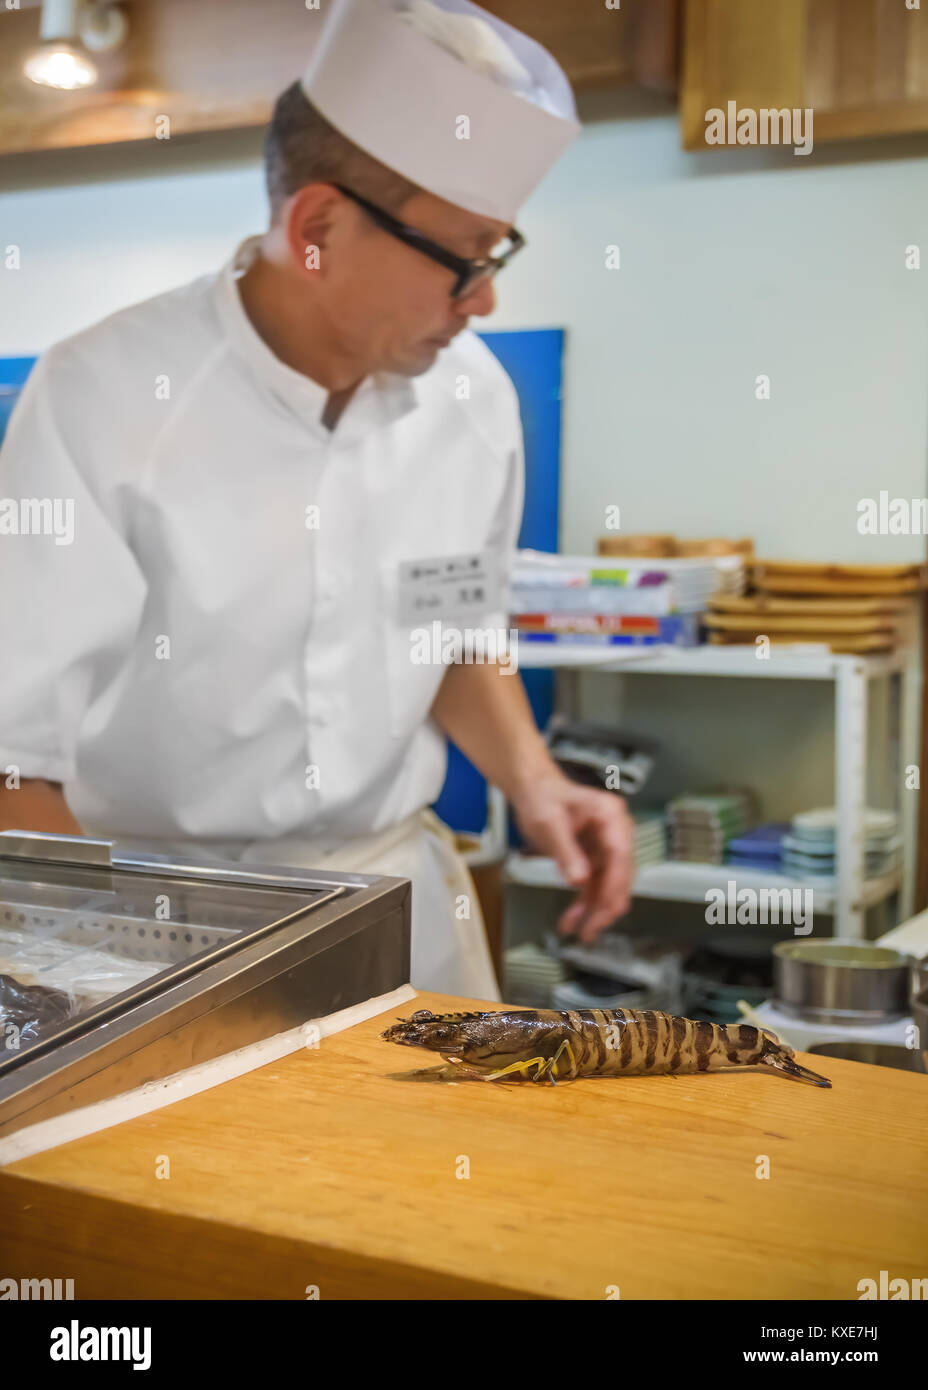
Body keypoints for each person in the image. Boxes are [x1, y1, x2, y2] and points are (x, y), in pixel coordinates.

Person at [0, 0, 634, 1000]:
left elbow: (452, 632)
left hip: (394, 902)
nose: (485, 302)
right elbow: (13, 761)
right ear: (317, 228)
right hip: (156, 930)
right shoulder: (103, 396)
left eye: (495, 256)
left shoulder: (473, 401)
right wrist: (95, 971)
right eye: (465, 259)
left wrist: (537, 782)